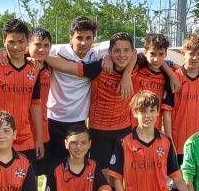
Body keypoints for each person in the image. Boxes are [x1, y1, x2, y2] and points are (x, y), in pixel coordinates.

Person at [44, 32, 137, 176]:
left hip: (124, 129)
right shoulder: (98, 68)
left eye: (126, 51)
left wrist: (127, 75)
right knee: (100, 175)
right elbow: (70, 67)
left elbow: (142, 55)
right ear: (109, 52)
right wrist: (41, 55)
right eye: (117, 51)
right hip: (99, 131)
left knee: (125, 173)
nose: (122, 55)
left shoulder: (137, 65)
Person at [0, 19, 44, 165]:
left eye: (20, 41)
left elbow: (35, 105)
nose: (16, 46)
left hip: (25, 137)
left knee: (29, 182)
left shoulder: (34, 69)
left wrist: (39, 138)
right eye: (11, 42)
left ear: (27, 41)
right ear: (4, 41)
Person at [170, 34, 199, 167]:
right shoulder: (174, 76)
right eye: (191, 53)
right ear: (183, 53)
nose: (195, 58)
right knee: (180, 180)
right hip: (179, 140)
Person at [132, 34, 177, 137]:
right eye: (152, 54)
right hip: (132, 130)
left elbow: (188, 68)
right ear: (145, 52)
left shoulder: (170, 74)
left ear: (166, 54)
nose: (156, 59)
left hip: (153, 132)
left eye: (161, 54)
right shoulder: (136, 70)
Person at [27, 28, 53, 175]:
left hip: (43, 129)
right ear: (28, 46)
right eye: (37, 45)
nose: (42, 49)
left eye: (46, 45)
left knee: (42, 172)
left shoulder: (50, 66)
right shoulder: (23, 64)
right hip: (23, 130)